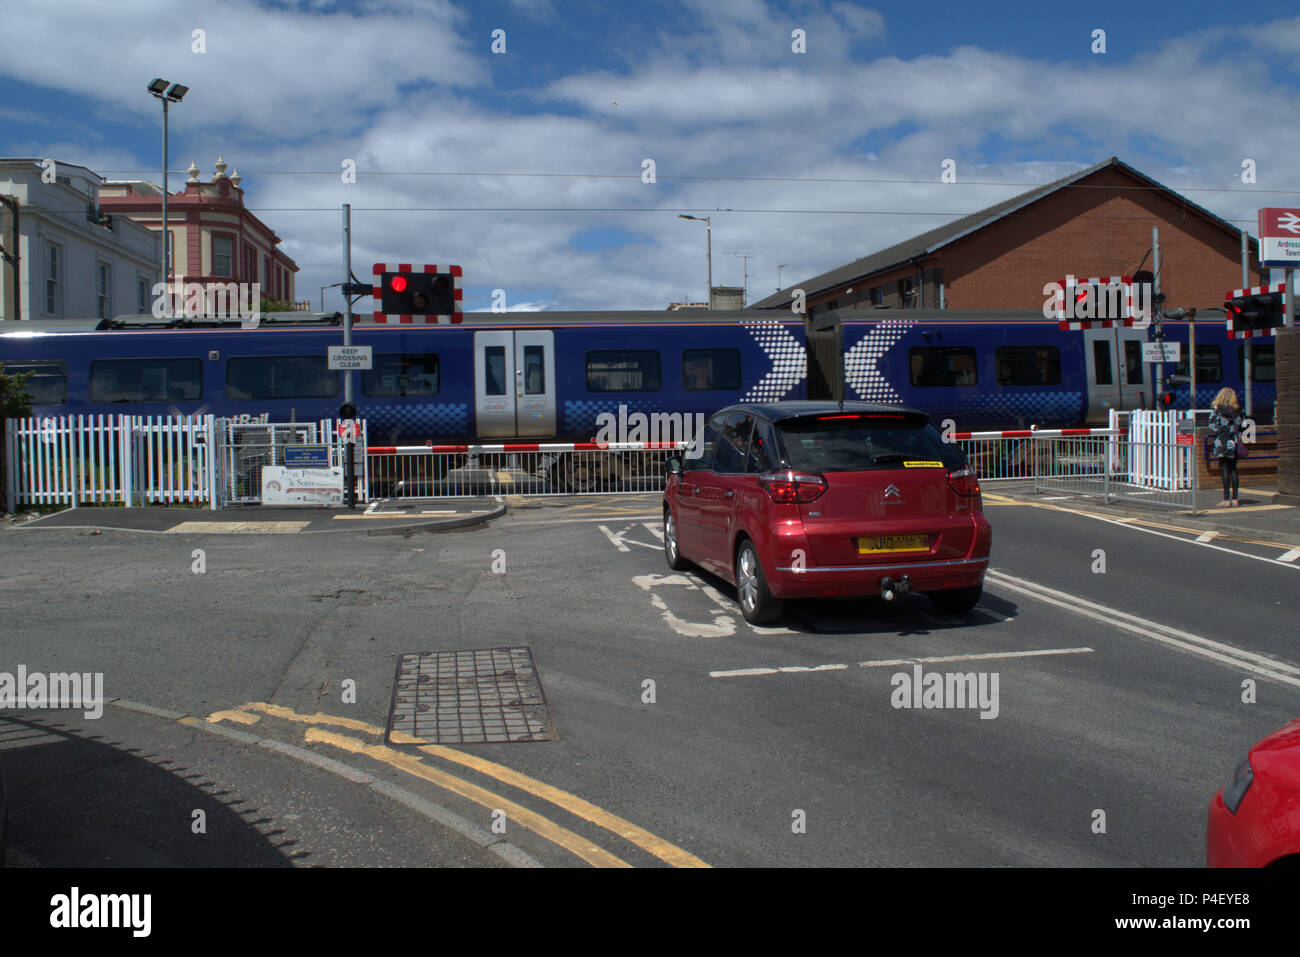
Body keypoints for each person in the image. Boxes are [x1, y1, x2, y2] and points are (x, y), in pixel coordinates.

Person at [1207, 387, 1245, 507]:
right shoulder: (1239, 410)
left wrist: (1221, 430)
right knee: (1233, 469)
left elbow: (1212, 426)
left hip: (1222, 442)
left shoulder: (1217, 409)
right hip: (1234, 442)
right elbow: (1243, 425)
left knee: (1224, 469)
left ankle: (1226, 499)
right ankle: (1235, 499)